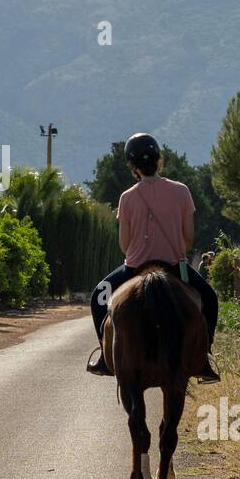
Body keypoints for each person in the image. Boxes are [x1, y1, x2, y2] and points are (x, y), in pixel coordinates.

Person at [86, 133, 219, 381]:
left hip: (134, 268)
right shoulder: (182, 191)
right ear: (159, 160)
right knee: (210, 298)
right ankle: (204, 359)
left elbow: (124, 245)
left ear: (133, 166)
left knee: (97, 297)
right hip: (174, 267)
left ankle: (105, 358)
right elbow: (188, 237)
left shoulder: (126, 198)